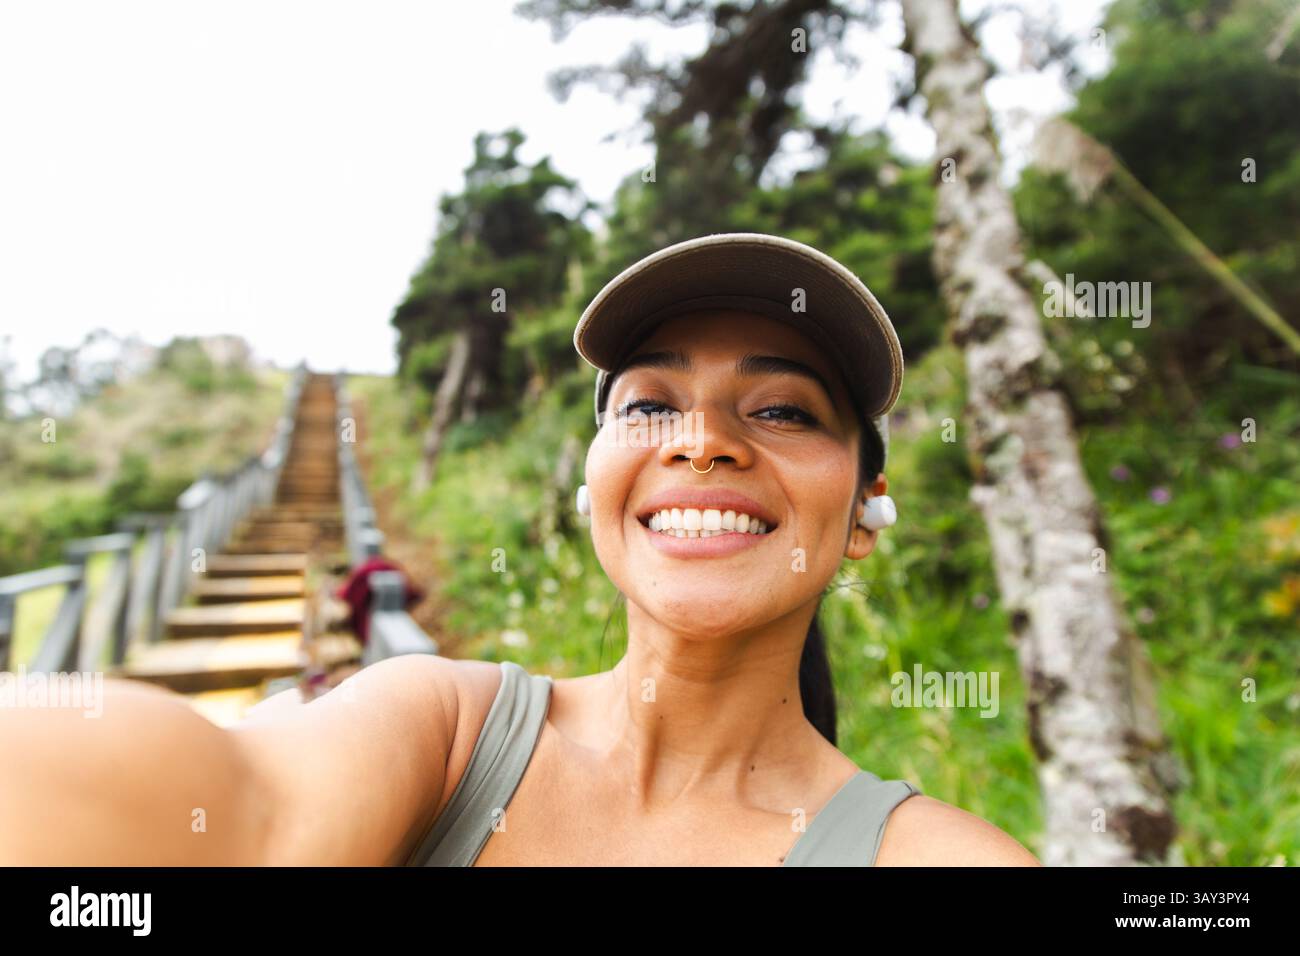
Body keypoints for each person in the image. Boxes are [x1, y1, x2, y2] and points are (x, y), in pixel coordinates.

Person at [0, 233, 1040, 867]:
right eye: (648, 403)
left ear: (864, 510)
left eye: (780, 408)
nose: (702, 438)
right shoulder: (442, 731)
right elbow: (243, 806)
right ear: (596, 481)